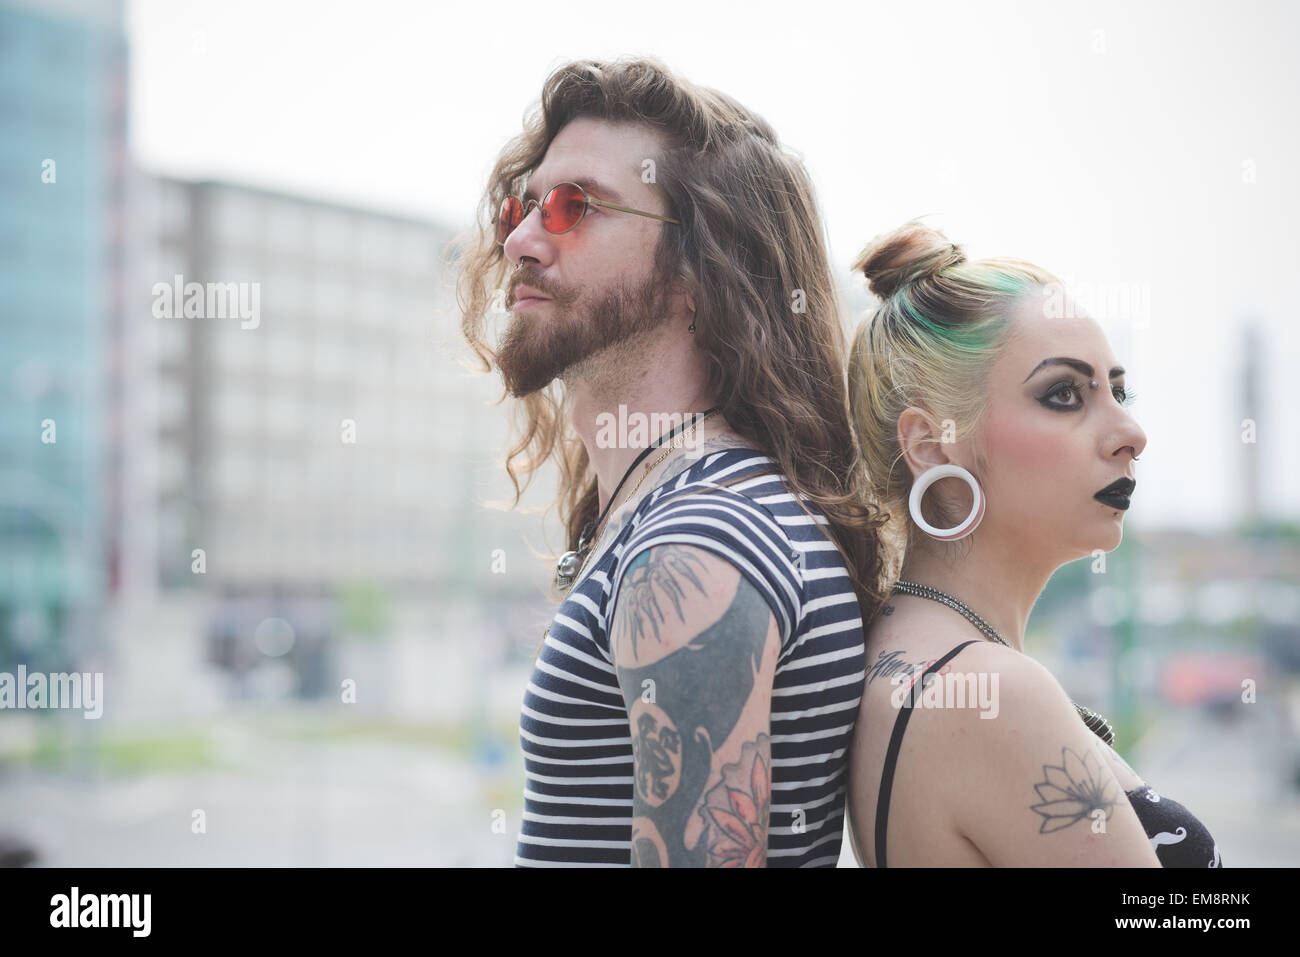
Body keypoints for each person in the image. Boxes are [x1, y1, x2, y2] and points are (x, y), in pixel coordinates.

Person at [457, 57, 890, 867]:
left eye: (572, 206)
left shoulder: (699, 543)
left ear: (701, 268)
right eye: (524, 206)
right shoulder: (690, 504)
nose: (518, 239)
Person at [843, 220, 1222, 867]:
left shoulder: (895, 650)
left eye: (1118, 390)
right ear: (931, 444)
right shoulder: (994, 692)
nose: (1131, 433)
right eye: (1065, 394)